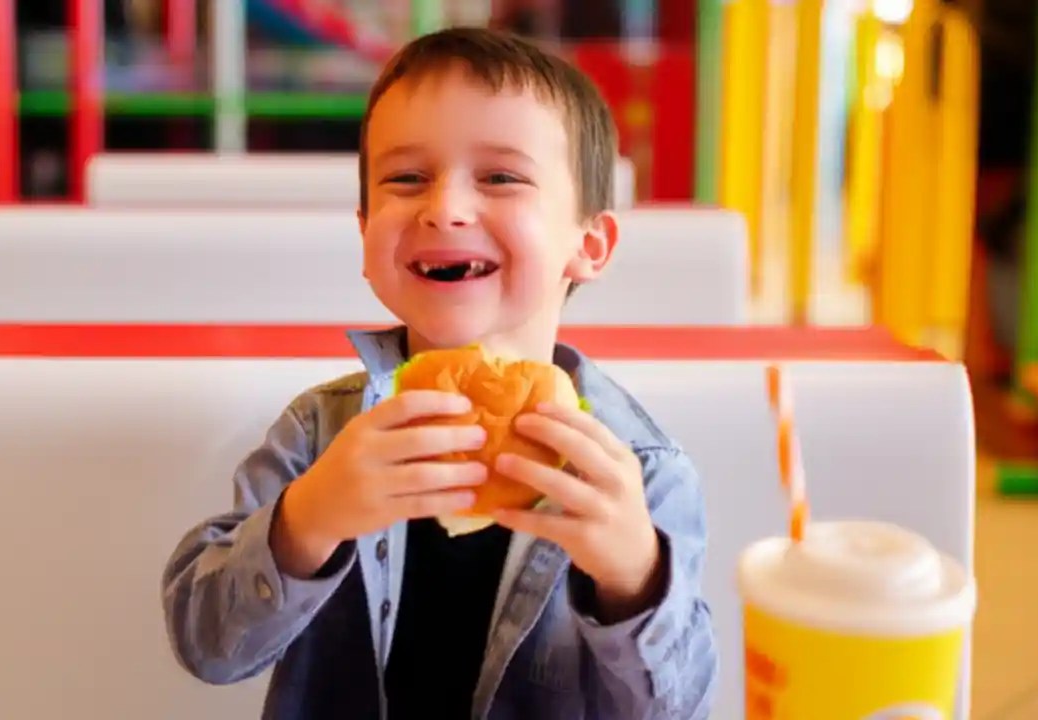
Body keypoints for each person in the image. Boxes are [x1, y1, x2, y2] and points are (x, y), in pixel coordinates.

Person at [161, 26, 716, 719]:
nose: (445, 208)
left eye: (501, 177)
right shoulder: (319, 435)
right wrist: (305, 524)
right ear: (365, 235)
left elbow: (676, 707)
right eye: (406, 178)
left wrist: (633, 577)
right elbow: (207, 646)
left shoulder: (639, 468)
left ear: (590, 243)